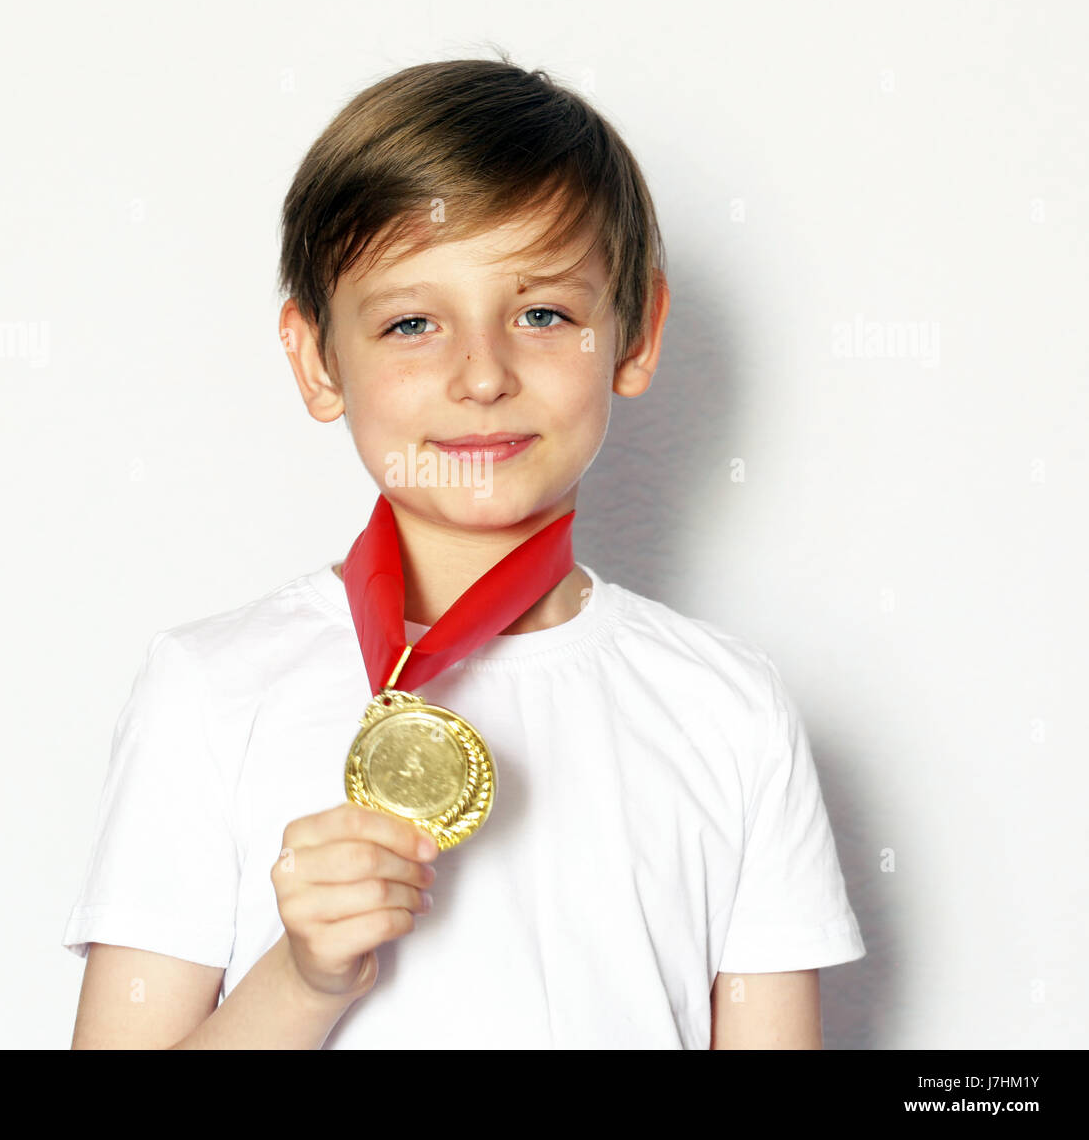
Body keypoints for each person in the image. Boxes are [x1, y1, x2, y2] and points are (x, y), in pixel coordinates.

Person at [62, 54, 866, 1050]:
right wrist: (303, 980)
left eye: (542, 314)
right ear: (317, 361)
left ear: (636, 334)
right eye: (411, 322)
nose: (482, 375)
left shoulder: (730, 710)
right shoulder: (208, 692)